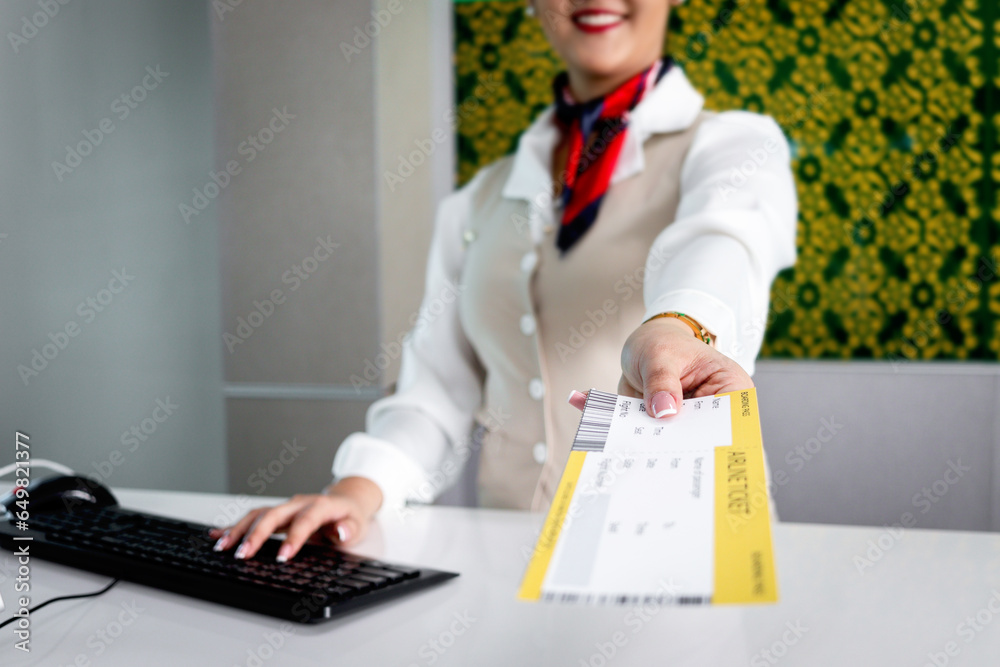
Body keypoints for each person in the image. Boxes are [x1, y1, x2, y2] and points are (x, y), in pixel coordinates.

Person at [210, 0, 797, 563]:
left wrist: (679, 326)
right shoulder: (477, 202)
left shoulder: (734, 145)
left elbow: (721, 245)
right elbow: (436, 391)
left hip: (681, 555)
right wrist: (353, 494)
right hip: (506, 568)